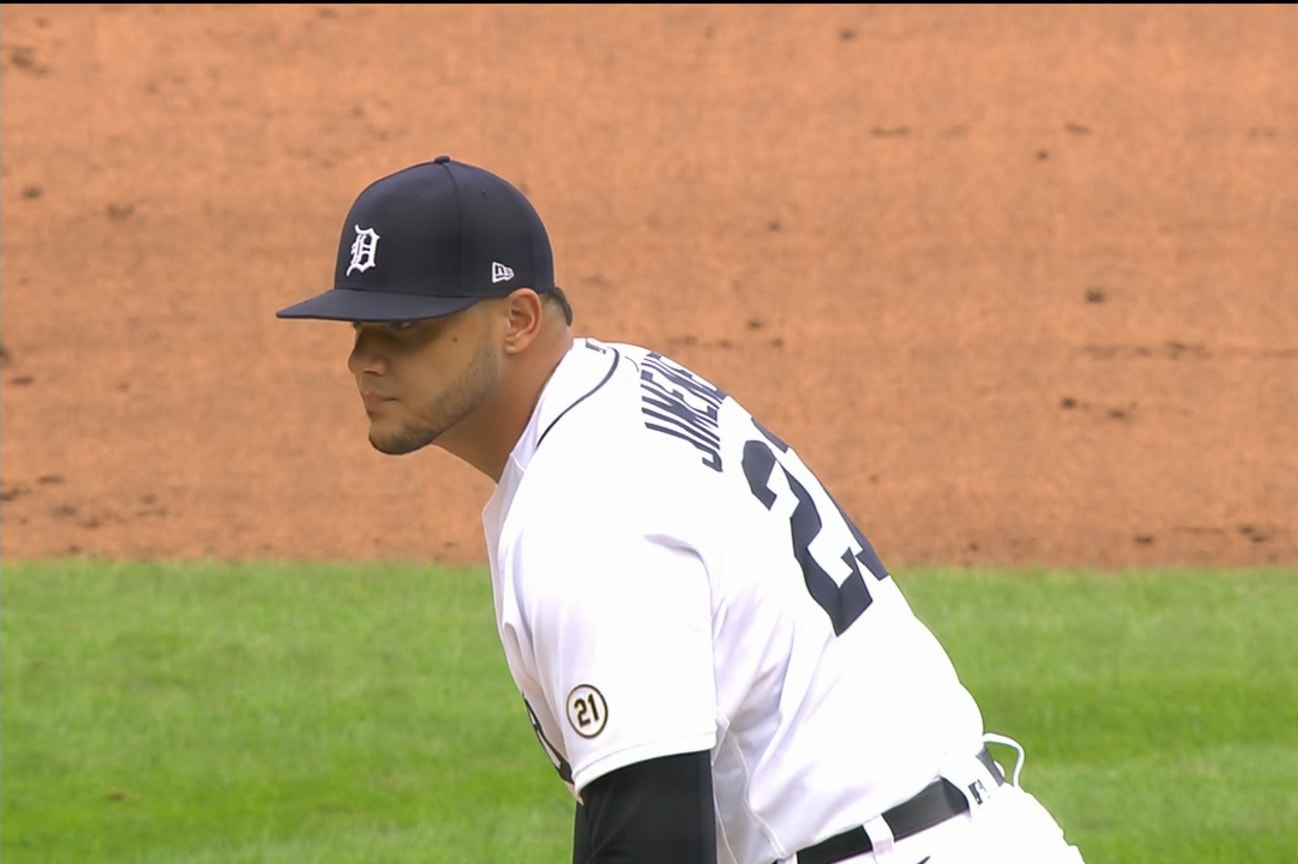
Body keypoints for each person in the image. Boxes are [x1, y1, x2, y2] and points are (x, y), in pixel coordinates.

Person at [276, 155, 1087, 864]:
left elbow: (651, 842)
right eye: (358, 324)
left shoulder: (587, 507)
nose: (361, 359)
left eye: (405, 326)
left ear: (517, 320)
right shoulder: (618, 385)